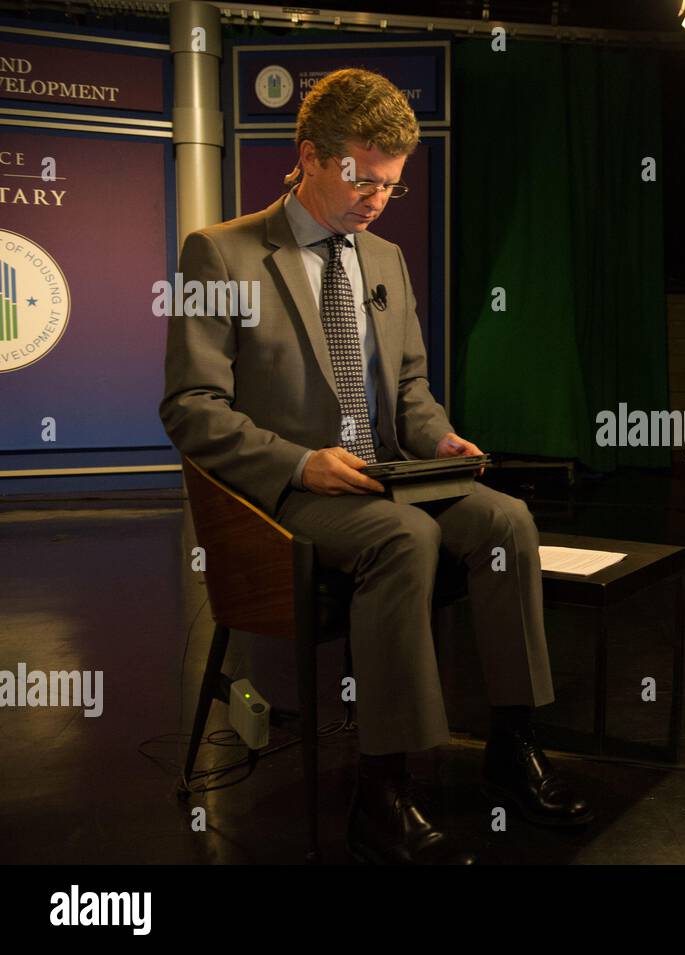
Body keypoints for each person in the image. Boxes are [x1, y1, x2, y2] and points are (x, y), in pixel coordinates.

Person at [159, 68, 591, 865]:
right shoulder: (222, 255)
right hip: (284, 496)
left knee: (506, 518)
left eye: (391, 186)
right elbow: (191, 406)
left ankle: (512, 741)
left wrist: (440, 441)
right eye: (363, 181)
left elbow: (412, 391)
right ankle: (383, 791)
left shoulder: (384, 258)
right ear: (309, 156)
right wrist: (298, 462)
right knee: (404, 539)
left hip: (385, 474)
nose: (376, 201)